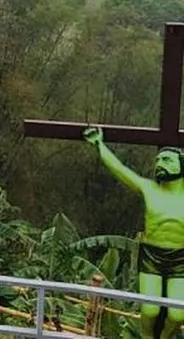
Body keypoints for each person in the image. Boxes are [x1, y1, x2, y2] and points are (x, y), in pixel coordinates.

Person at [84, 126, 184, 339]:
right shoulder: (149, 188)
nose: (159, 164)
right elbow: (119, 169)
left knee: (177, 314)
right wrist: (99, 144)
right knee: (149, 311)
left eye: (166, 160)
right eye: (158, 160)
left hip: (180, 259)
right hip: (151, 256)